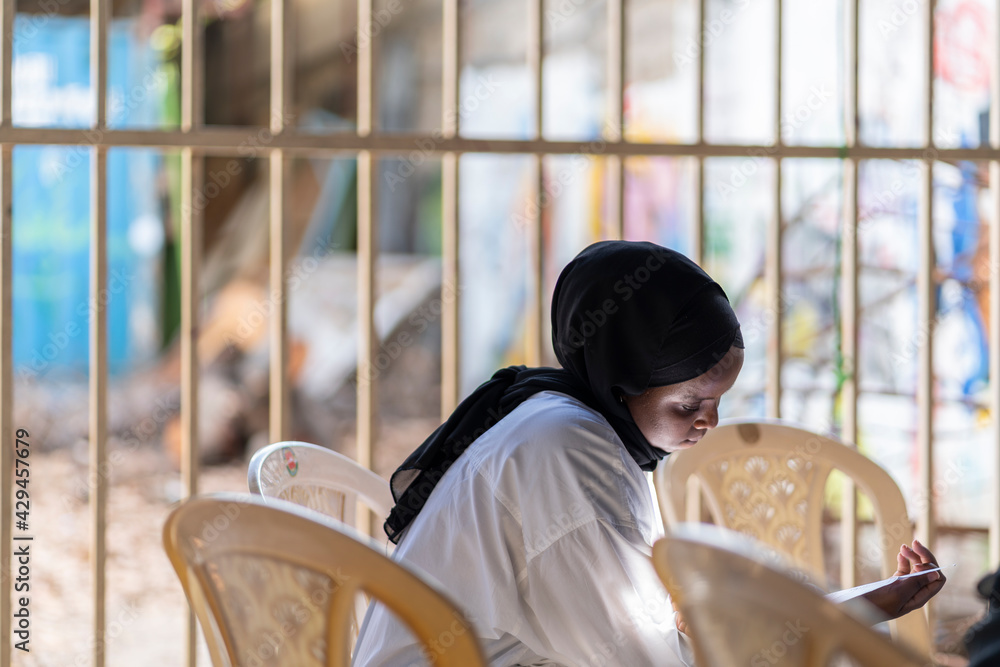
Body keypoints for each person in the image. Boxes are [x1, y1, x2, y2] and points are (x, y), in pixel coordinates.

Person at [352, 240, 944, 666]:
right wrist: (842, 621)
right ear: (623, 376)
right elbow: (646, 655)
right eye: (689, 404)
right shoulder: (567, 448)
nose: (709, 422)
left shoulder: (565, 423)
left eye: (717, 401)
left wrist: (851, 606)